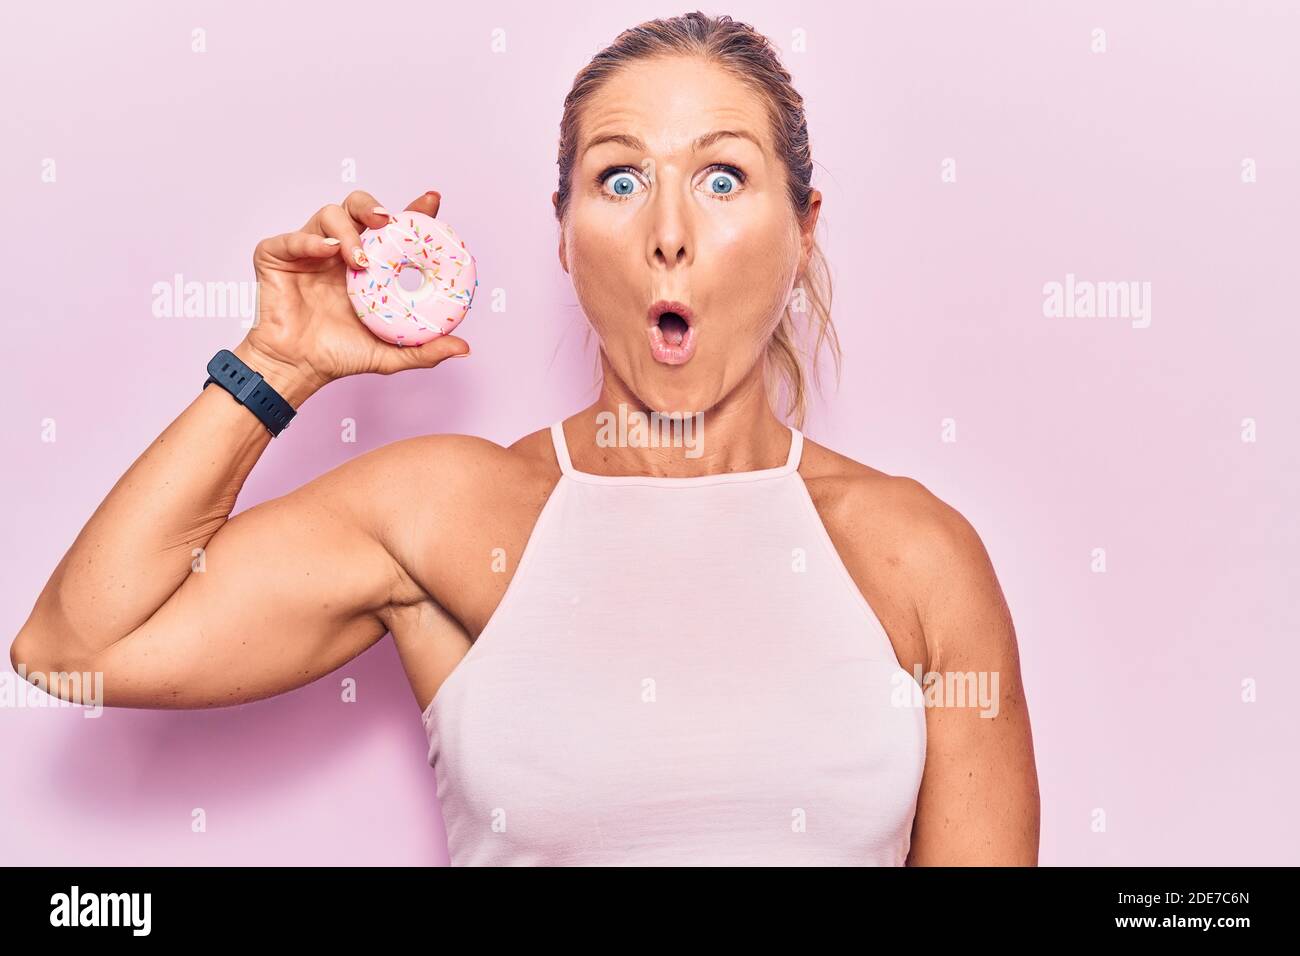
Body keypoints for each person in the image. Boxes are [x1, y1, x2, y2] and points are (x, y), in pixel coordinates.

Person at [10, 12, 1038, 865]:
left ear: (802, 225)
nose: (668, 230)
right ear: (562, 230)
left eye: (722, 178)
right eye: (620, 180)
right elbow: (78, 645)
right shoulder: (454, 510)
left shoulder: (918, 553)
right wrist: (277, 365)